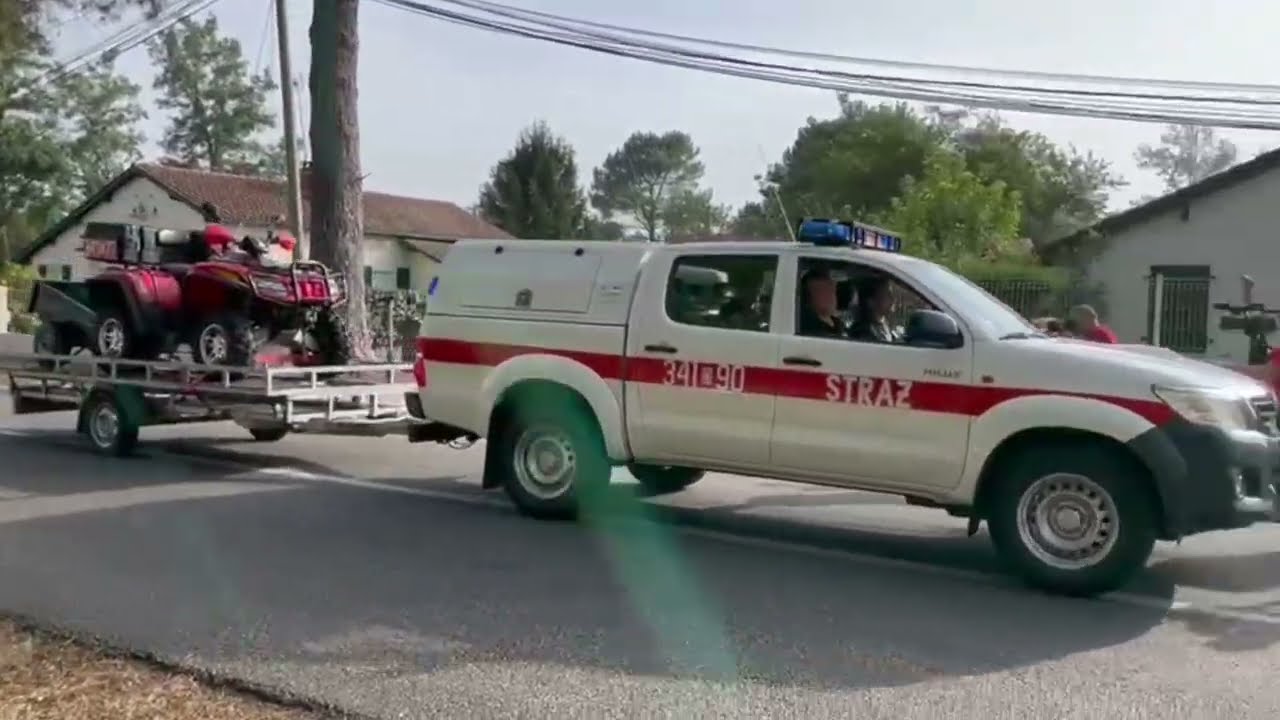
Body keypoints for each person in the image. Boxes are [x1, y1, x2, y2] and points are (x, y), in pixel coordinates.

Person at [797, 268, 848, 338]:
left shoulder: (839, 324)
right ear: (808, 296)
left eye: (832, 291)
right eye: (824, 292)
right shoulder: (807, 326)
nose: (831, 297)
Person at [849, 276, 900, 343]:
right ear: (871, 302)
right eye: (887, 294)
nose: (892, 299)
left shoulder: (883, 326)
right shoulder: (863, 332)